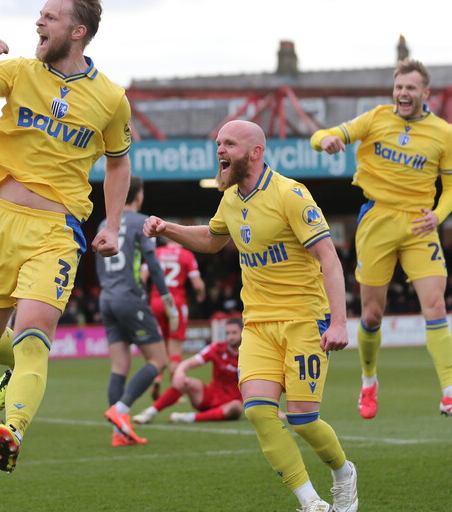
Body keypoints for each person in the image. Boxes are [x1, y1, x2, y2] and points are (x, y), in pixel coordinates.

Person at [0, 0, 131, 473]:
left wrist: (111, 225)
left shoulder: (110, 98)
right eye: (40, 15)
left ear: (78, 30)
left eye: (50, 16)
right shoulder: (19, 71)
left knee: (33, 335)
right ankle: (10, 370)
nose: (38, 21)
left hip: (57, 232)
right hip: (2, 222)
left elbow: (118, 161)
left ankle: (14, 429)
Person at [144, 121, 359, 512]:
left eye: (229, 143)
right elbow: (212, 240)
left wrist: (340, 321)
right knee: (258, 411)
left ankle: (344, 473)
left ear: (255, 152)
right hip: (258, 325)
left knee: (304, 420)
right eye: (217, 143)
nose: (219, 150)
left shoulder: (291, 194)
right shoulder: (229, 199)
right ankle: (310, 502)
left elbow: (329, 257)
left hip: (304, 321)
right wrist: (166, 228)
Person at [310, 58, 452, 424]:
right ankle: (369, 382)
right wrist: (329, 141)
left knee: (434, 306)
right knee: (371, 315)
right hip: (378, 219)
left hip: (419, 223)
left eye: (410, 88)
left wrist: (439, 215)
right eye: (399, 87)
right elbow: (317, 136)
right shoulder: (375, 118)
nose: (403, 93)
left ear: (425, 93)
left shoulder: (445, 134)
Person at [95, 175, 177, 446]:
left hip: (107, 297)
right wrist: (166, 298)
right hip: (130, 297)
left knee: (119, 366)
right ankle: (120, 410)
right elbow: (152, 262)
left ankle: (119, 433)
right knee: (159, 360)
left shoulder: (104, 224)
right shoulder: (139, 222)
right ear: (139, 195)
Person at [133, 317, 242, 425]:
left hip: (231, 403)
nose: (230, 337)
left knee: (236, 407)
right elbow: (189, 363)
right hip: (211, 398)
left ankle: (189, 418)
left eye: (234, 333)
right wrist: (180, 372)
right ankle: (150, 412)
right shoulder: (217, 348)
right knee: (185, 382)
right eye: (227, 333)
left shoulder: (248, 354)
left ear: (243, 333)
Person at [142, 238, 205, 399]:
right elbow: (197, 285)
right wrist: (201, 294)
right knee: (175, 349)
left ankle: (157, 377)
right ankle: (174, 392)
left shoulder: (155, 252)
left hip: (156, 301)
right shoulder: (186, 255)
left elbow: (142, 278)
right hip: (175, 302)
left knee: (159, 345)